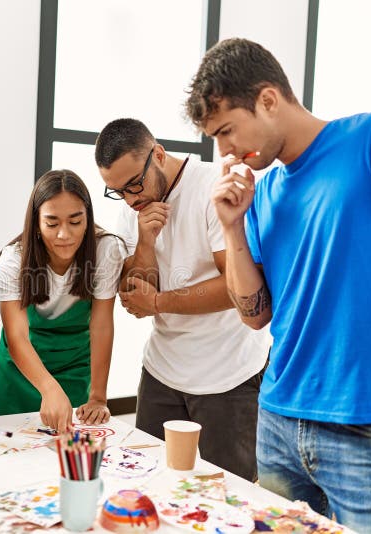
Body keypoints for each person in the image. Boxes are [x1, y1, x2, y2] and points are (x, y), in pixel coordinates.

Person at [186, 37, 371, 533]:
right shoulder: (262, 192)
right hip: (279, 419)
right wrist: (231, 227)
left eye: (226, 131)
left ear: (268, 99)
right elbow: (254, 313)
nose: (222, 151)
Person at [94, 118, 269, 481]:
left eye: (134, 185)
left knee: (225, 493)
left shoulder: (210, 188)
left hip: (227, 376)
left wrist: (160, 303)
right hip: (162, 371)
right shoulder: (133, 208)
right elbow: (135, 298)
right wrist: (145, 242)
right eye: (118, 191)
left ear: (158, 154)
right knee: (147, 482)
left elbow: (236, 289)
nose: (130, 198)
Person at [0, 170, 125, 433]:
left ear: (88, 219)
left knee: (69, 453)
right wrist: (49, 388)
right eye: (52, 223)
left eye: (75, 221)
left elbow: (101, 325)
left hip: (75, 364)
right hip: (22, 368)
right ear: (36, 224)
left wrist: (98, 396)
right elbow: (16, 336)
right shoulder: (13, 260)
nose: (64, 234)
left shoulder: (106, 250)